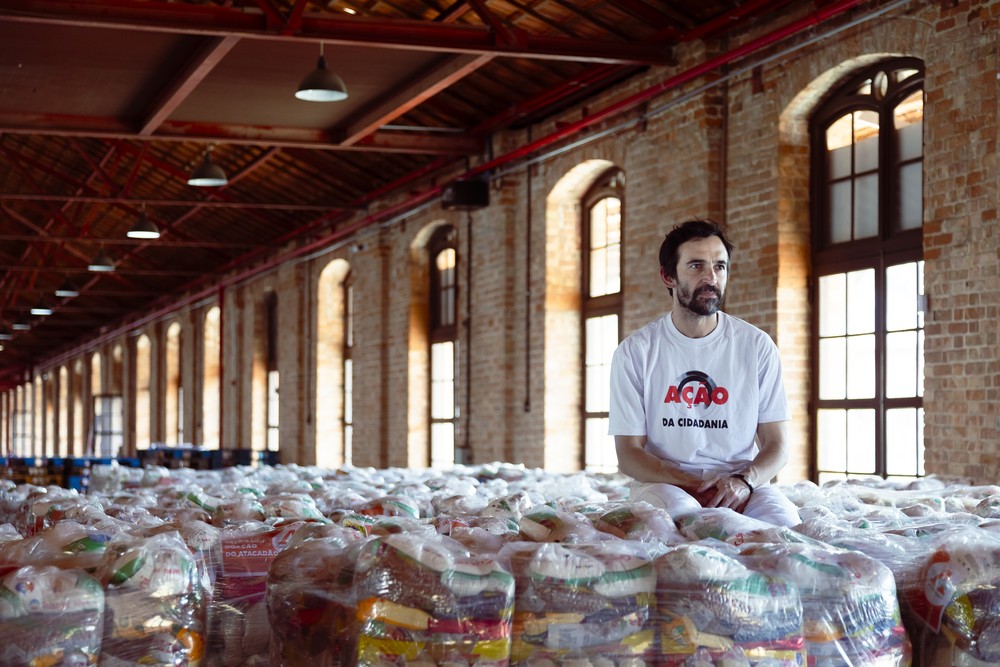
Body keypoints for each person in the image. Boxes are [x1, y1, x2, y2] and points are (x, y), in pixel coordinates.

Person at [608, 219, 800, 527]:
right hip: (665, 485)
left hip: (739, 483)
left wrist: (743, 481)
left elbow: (777, 446)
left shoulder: (756, 345)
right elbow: (628, 454)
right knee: (681, 525)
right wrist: (689, 482)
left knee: (786, 528)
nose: (711, 278)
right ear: (668, 276)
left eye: (720, 266)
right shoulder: (636, 351)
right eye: (696, 266)